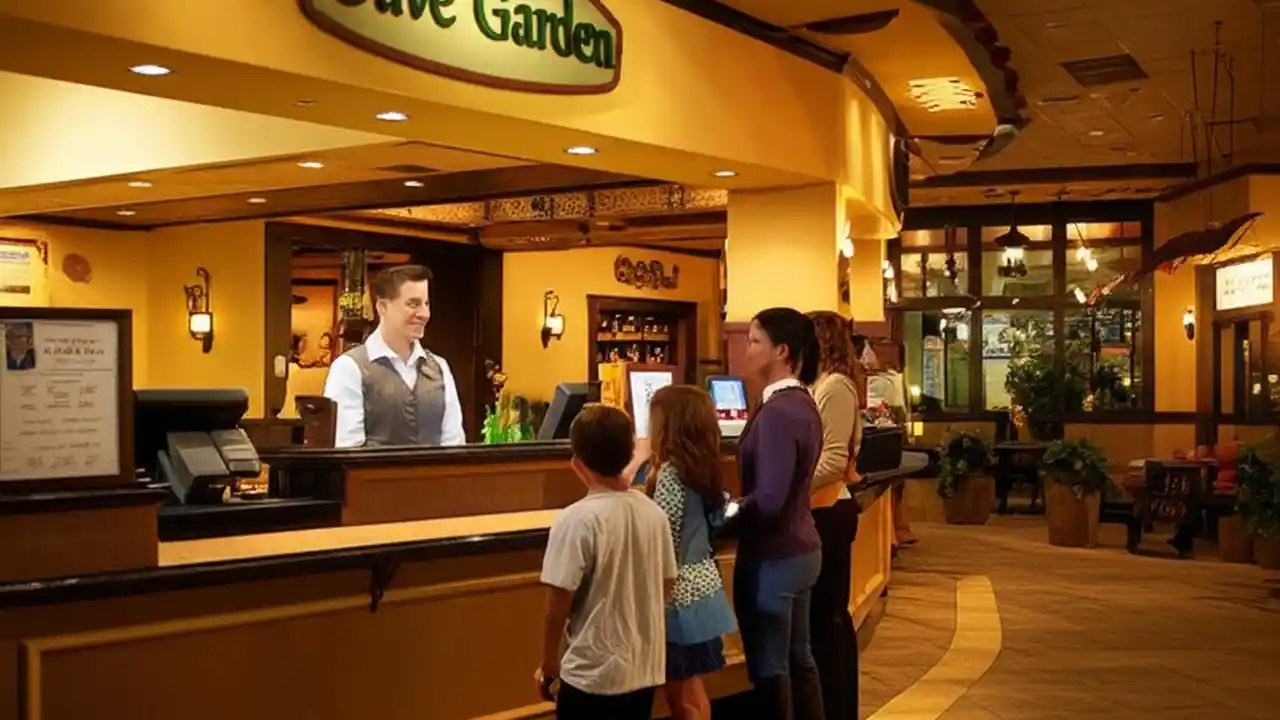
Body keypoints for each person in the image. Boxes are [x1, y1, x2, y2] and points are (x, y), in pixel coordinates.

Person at [536, 404, 677, 720]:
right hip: (644, 668)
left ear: (577, 464)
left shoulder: (576, 520)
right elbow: (667, 583)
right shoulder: (654, 513)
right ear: (631, 453)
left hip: (591, 672)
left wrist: (549, 665)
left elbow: (558, 603)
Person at [734, 307, 825, 720]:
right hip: (801, 549)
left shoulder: (777, 412)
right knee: (799, 659)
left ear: (782, 351)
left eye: (755, 341)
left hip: (774, 555)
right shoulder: (802, 403)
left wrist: (726, 511)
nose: (747, 349)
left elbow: (769, 499)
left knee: (771, 668)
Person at [643, 386, 738, 720]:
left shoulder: (670, 475)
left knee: (681, 695)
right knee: (693, 690)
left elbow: (664, 538)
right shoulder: (703, 470)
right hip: (703, 590)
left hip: (676, 597)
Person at [323, 264, 465, 447]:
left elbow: (453, 444)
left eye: (426, 304)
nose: (424, 314)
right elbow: (346, 449)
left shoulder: (440, 367)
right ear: (382, 307)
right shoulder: (349, 368)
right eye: (413, 304)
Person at [807, 311, 864, 720]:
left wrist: (786, 486)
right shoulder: (821, 385)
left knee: (829, 622)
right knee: (823, 622)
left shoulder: (835, 387)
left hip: (830, 510)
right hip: (821, 508)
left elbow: (832, 461)